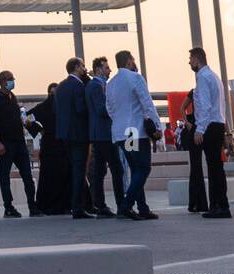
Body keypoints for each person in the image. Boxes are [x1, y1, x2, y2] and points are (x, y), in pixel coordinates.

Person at [105, 49, 161, 220]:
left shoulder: (111, 83)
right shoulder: (135, 78)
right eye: (133, 59)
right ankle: (126, 205)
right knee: (143, 168)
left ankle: (143, 207)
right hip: (134, 131)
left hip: (120, 132)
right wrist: (157, 126)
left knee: (135, 169)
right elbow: (147, 104)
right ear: (129, 61)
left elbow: (110, 109)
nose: (134, 62)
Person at [0, 70, 40, 218]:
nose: (12, 82)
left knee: (27, 176)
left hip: (19, 143)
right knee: (5, 176)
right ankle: (8, 207)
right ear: (3, 81)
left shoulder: (12, 97)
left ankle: (32, 206)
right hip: (6, 144)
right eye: (10, 79)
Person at [190, 47, 231, 218]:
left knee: (214, 168)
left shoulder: (202, 77)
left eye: (191, 59)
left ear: (198, 60)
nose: (189, 62)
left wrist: (199, 129)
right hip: (218, 124)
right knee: (217, 168)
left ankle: (218, 206)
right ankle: (221, 204)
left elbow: (205, 106)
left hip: (210, 127)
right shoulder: (214, 76)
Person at [86, 56, 126, 218]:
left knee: (100, 170)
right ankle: (120, 204)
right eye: (106, 68)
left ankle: (100, 204)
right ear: (98, 70)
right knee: (117, 168)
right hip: (103, 134)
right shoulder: (97, 86)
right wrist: (117, 108)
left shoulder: (99, 85)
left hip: (100, 134)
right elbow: (102, 109)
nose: (109, 71)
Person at [55, 57, 92, 219]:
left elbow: (56, 110)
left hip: (65, 134)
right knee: (79, 171)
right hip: (78, 134)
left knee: (73, 169)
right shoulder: (78, 85)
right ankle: (78, 207)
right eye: (83, 66)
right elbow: (80, 109)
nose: (85, 69)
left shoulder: (61, 86)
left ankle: (75, 205)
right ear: (76, 67)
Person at [29, 82, 70, 215]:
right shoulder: (61, 107)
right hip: (58, 145)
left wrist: (40, 130)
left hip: (51, 145)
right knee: (58, 176)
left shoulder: (42, 107)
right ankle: (60, 205)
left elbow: (26, 118)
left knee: (50, 176)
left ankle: (49, 205)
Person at [182, 94, 205, 213]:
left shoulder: (205, 89)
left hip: (205, 127)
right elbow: (182, 107)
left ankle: (200, 203)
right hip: (195, 128)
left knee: (199, 167)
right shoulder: (194, 91)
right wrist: (187, 122)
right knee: (196, 167)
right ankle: (196, 203)